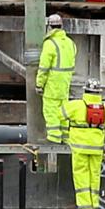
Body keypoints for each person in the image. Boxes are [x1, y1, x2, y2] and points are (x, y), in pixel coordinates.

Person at [62, 78, 105, 209]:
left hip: (79, 148)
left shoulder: (76, 106)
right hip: (97, 149)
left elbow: (60, 115)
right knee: (95, 178)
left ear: (85, 91)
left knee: (81, 178)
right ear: (99, 93)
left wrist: (64, 134)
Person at [37, 12, 77, 143]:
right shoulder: (70, 43)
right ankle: (65, 137)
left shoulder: (50, 44)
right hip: (65, 84)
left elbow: (44, 67)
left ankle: (54, 138)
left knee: (51, 111)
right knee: (64, 111)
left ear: (49, 27)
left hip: (52, 84)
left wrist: (39, 84)